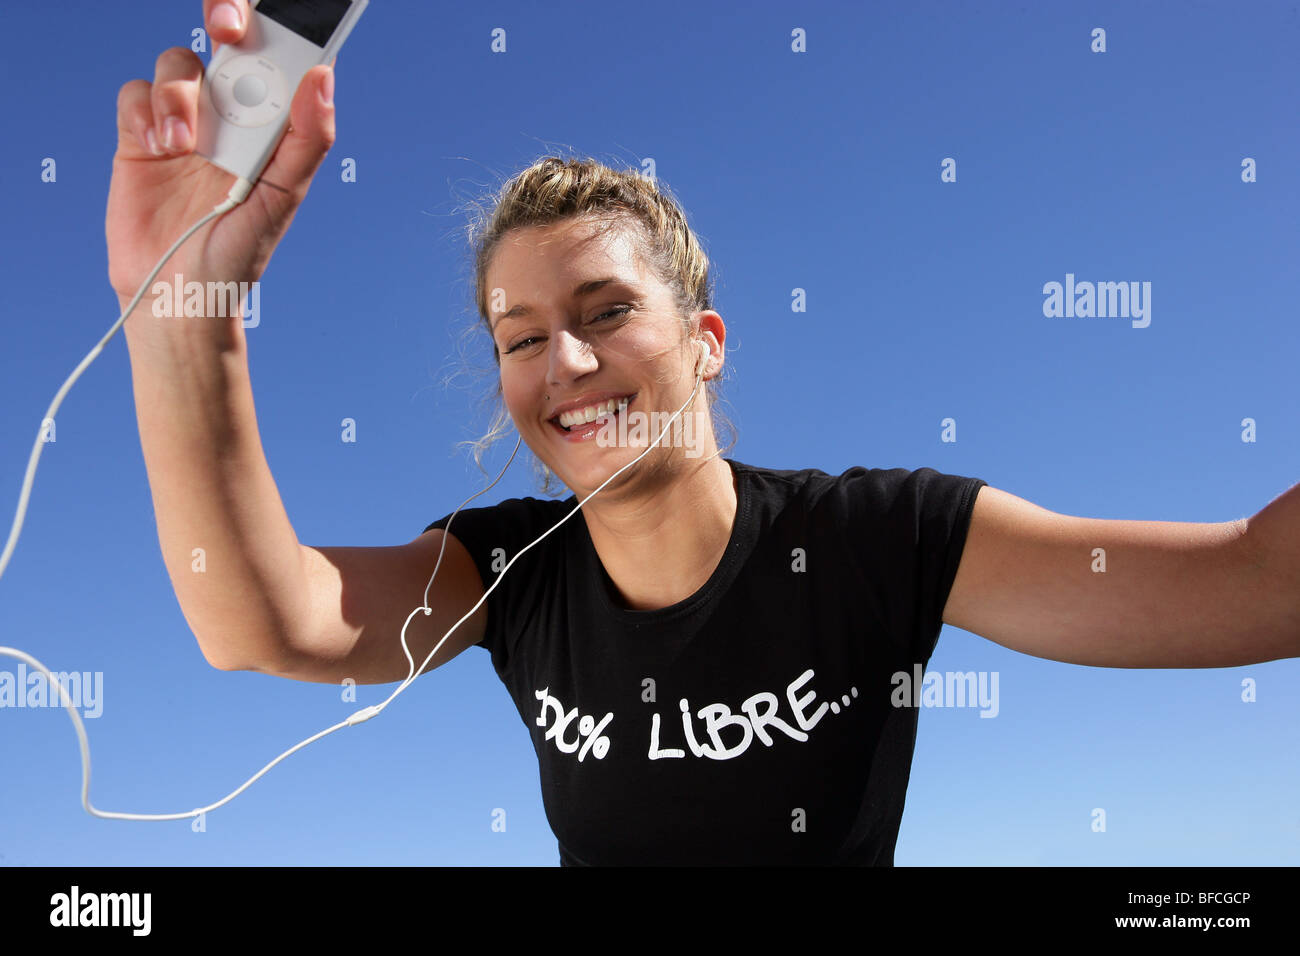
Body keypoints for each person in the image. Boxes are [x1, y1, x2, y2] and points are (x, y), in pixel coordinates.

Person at [108, 0, 1299, 866]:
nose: (566, 364)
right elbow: (262, 621)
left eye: (605, 312)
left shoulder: (875, 537)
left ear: (705, 338)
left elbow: (1260, 579)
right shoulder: (508, 572)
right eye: (521, 337)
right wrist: (179, 311)